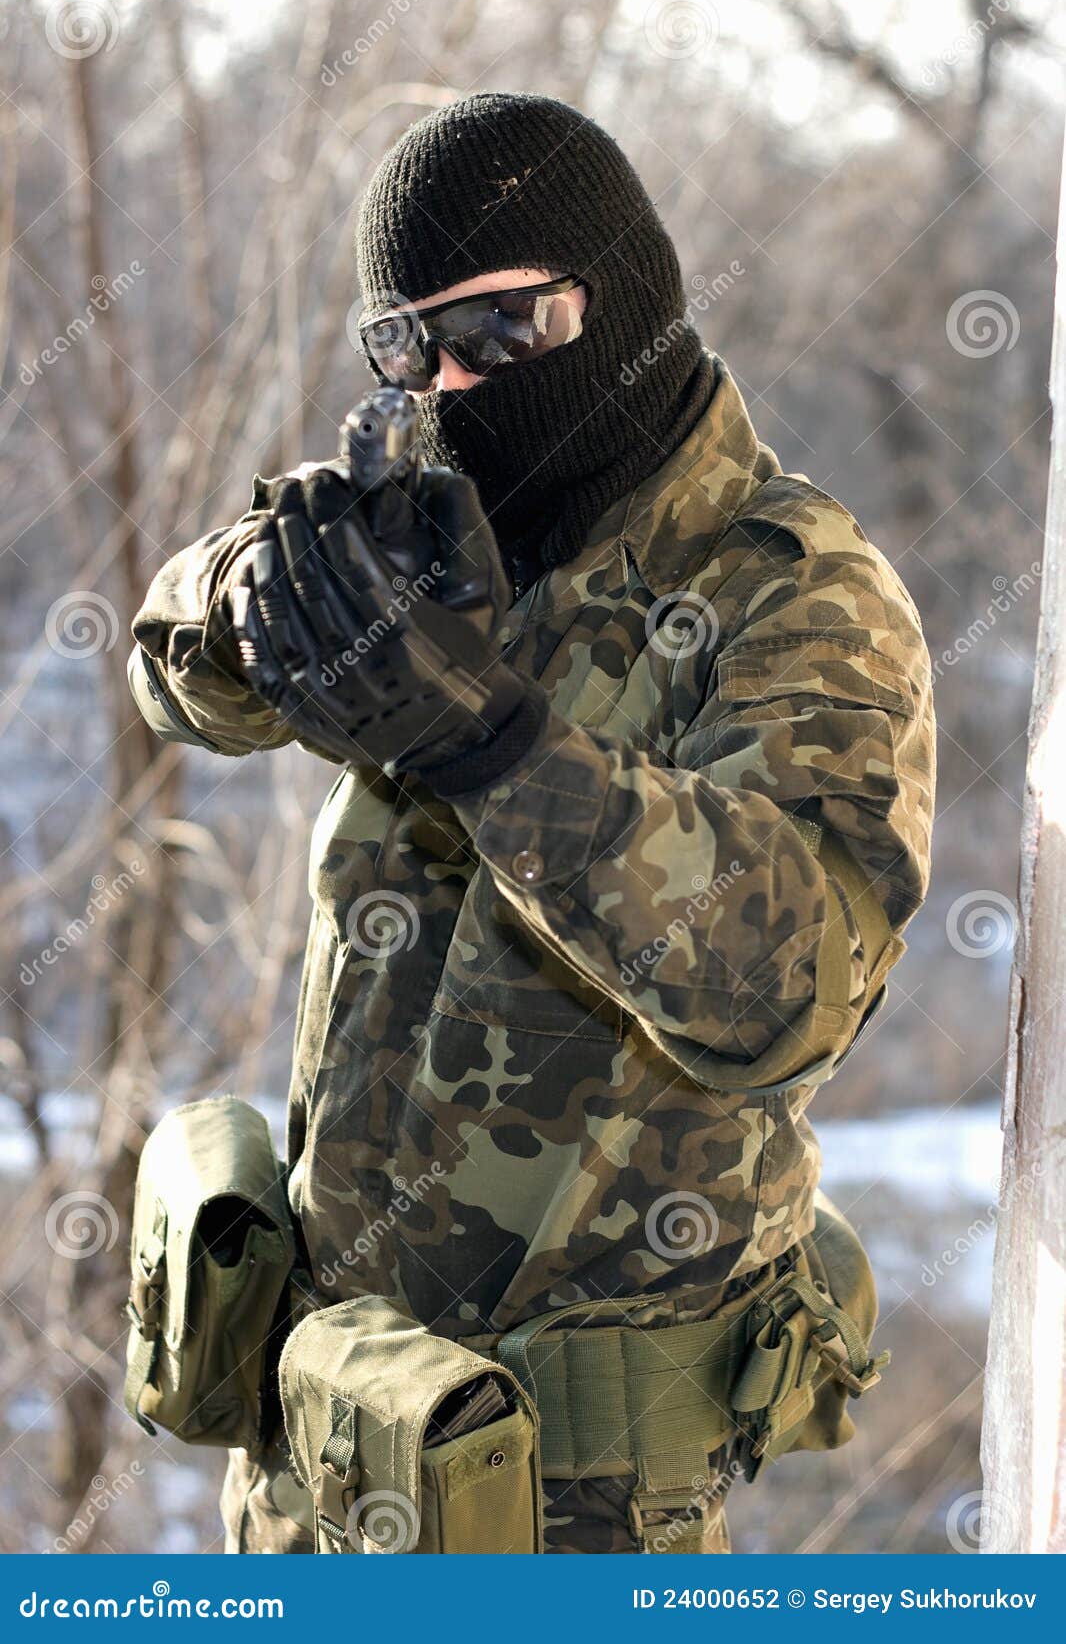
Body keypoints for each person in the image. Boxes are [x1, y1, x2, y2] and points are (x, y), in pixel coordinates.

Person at [128, 91, 935, 1555]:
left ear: (619, 302)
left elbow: (786, 987)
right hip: (321, 1452)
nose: (455, 377)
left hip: (572, 1506)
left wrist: (493, 745)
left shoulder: (790, 590)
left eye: (502, 331)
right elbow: (171, 680)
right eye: (410, 343)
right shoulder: (441, 522)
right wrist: (258, 579)